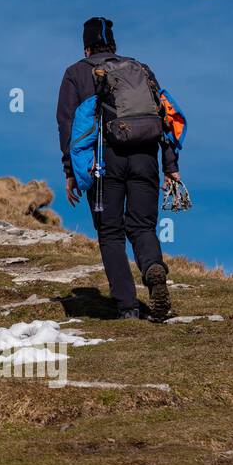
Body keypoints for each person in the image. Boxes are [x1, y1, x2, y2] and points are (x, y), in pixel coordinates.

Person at [56, 17, 179, 321]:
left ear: (86, 48)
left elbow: (67, 125)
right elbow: (164, 117)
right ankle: (152, 269)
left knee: (110, 232)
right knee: (142, 226)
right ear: (113, 45)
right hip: (145, 157)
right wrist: (170, 167)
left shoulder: (76, 74)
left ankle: (127, 307)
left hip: (103, 162)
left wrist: (70, 171)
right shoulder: (140, 69)